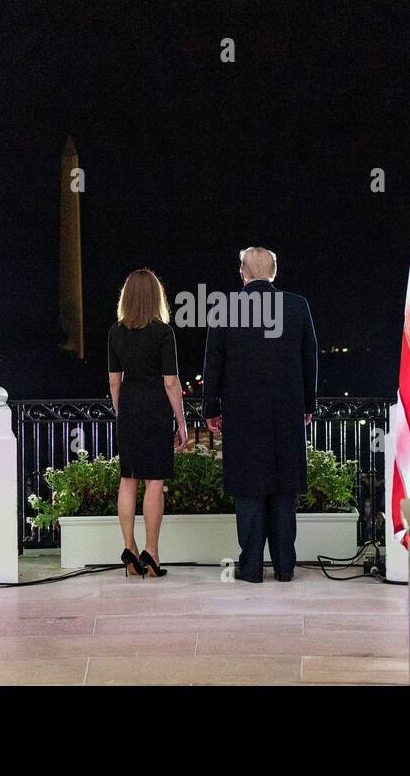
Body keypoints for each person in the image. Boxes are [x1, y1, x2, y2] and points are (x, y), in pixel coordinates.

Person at [202, 247, 317, 583]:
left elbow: (214, 364)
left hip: (242, 417)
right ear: (274, 272)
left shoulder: (225, 308)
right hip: (287, 414)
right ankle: (285, 568)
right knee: (284, 489)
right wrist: (308, 405)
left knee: (249, 490)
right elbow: (310, 360)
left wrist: (211, 410)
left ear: (243, 273)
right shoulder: (297, 306)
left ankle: (250, 568)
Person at [107, 269, 189, 579]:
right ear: (156, 297)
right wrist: (181, 422)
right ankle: (151, 553)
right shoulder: (163, 333)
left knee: (128, 479)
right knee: (155, 481)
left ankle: (129, 547)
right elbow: (171, 382)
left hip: (129, 408)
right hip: (155, 409)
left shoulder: (115, 332)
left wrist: (120, 411)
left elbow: (114, 380)